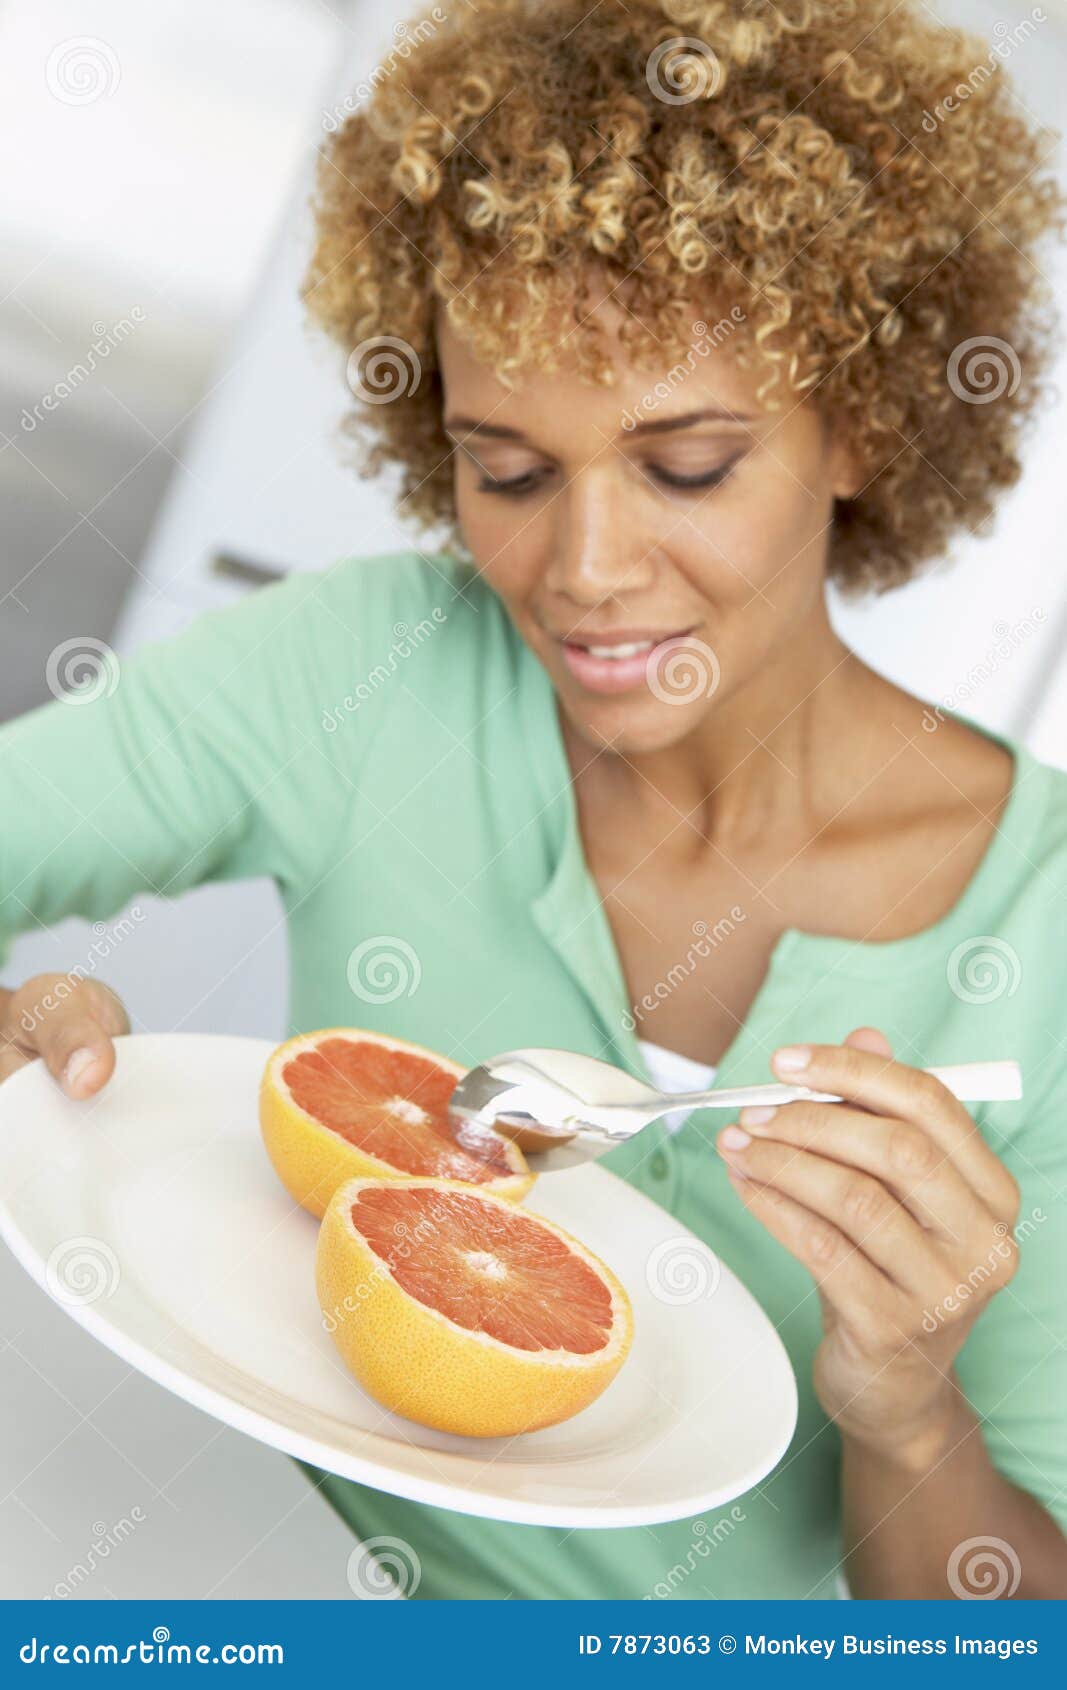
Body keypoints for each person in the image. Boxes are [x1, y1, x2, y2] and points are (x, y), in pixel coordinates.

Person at [3, 0, 1067, 1599]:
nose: (580, 574)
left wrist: (909, 1417)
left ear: (864, 422)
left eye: (687, 465)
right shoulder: (363, 662)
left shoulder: (1041, 931)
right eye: (506, 469)